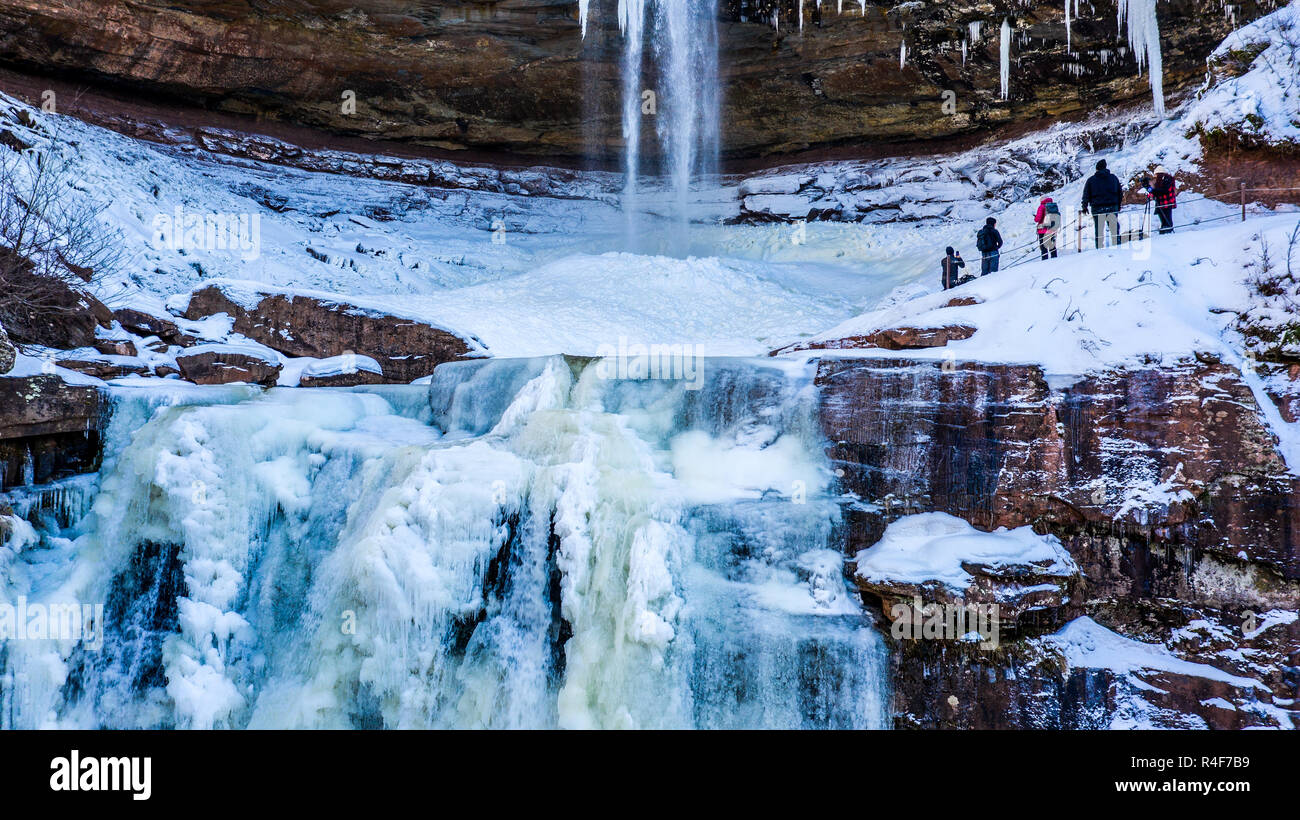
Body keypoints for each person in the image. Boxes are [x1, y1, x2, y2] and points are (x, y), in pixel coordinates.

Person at [1081, 159, 1123, 248]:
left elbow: (1086, 195)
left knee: (1099, 230)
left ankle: (1099, 248)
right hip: (1112, 207)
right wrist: (1118, 205)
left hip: (1097, 208)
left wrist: (1084, 207)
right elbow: (1120, 193)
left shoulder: (1091, 180)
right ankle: (1118, 246)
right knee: (1114, 229)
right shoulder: (1113, 178)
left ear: (1097, 169)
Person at [1150, 165, 1177, 234]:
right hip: (1161, 202)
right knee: (1162, 218)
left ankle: (1168, 230)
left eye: (1156, 174)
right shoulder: (1159, 181)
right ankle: (1164, 229)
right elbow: (1157, 192)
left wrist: (1152, 190)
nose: (1155, 176)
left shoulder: (1168, 179)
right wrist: (1150, 190)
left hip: (1167, 202)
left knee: (1167, 218)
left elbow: (1164, 190)